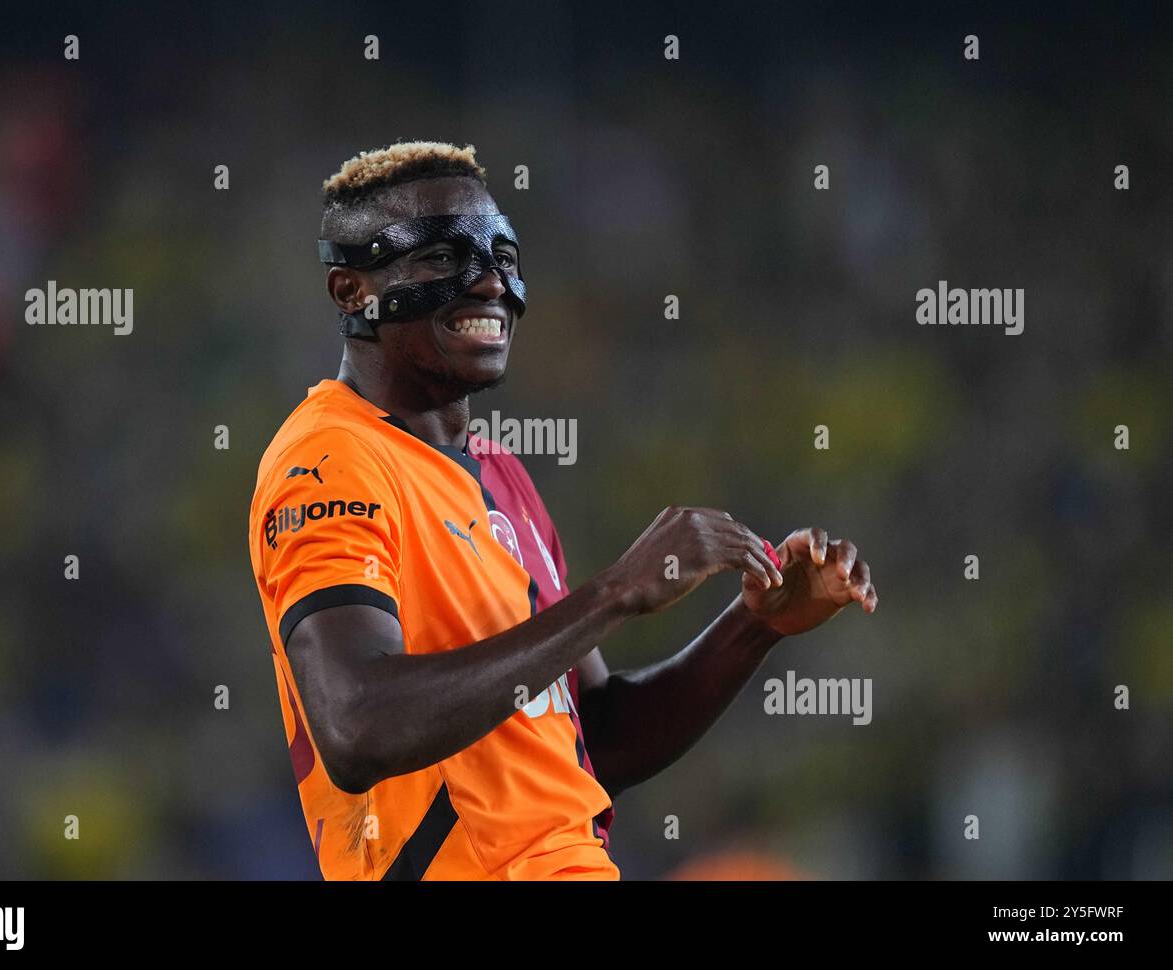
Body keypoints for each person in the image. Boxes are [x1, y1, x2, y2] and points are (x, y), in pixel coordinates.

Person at [248, 141, 877, 880]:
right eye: (444, 259)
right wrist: (613, 593)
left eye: (503, 257)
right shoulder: (327, 459)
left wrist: (756, 625)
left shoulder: (503, 476)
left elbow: (595, 741)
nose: (489, 283)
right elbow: (357, 726)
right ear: (351, 290)